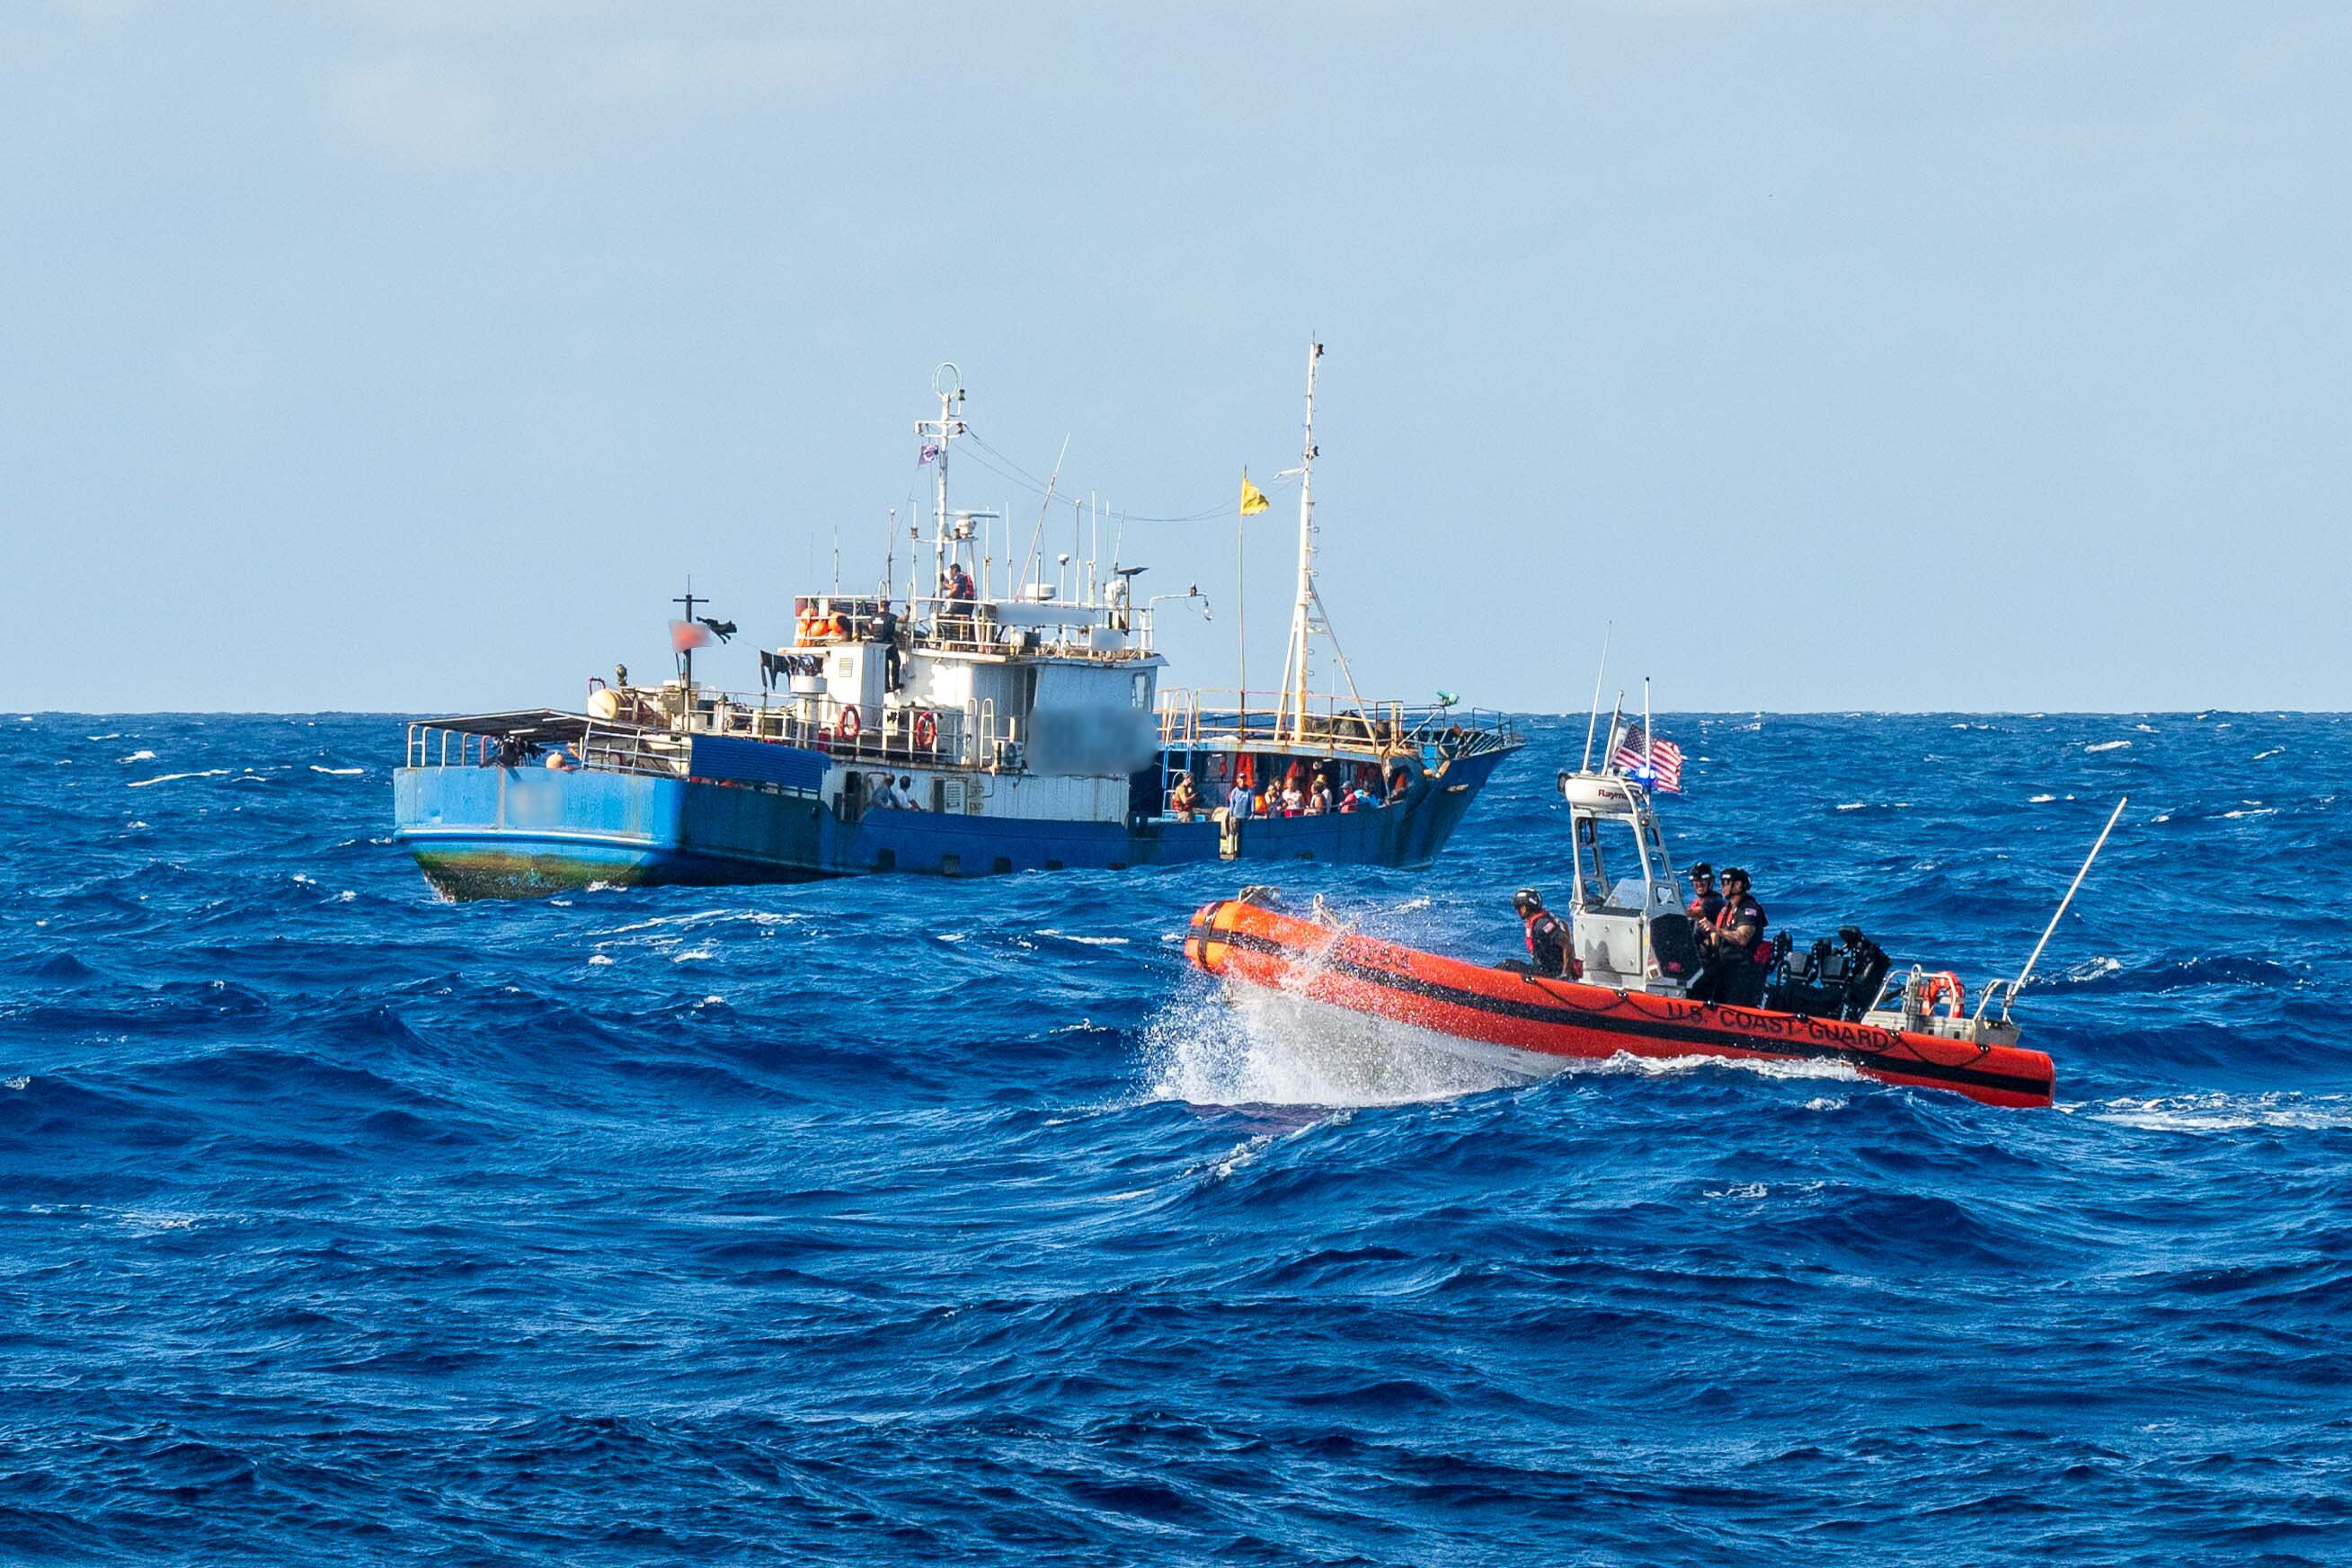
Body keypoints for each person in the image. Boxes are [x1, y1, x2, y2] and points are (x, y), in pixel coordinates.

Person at [1694, 868, 1769, 1005]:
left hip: (1742, 969)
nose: (1722, 886)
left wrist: (1715, 929)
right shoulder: (1726, 909)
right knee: (1697, 981)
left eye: (1726, 882)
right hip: (1723, 965)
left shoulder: (1749, 909)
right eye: (1722, 882)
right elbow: (1716, 942)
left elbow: (1742, 938)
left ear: (1738, 885)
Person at [1513, 888, 1569, 977]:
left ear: (1524, 908)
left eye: (1518, 908)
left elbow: (1567, 945)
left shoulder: (1541, 925)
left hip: (1548, 973)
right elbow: (1565, 926)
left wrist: (1565, 974)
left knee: (1507, 965)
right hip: (1545, 969)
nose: (1517, 911)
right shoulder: (1543, 920)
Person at [872, 601, 902, 691]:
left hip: (877, 644)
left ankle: (886, 687)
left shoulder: (874, 617)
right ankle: (895, 684)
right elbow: (902, 620)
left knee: (884, 666)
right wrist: (908, 612)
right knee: (896, 662)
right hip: (888, 644)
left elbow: (870, 627)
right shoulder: (890, 617)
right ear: (887, 608)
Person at [1685, 863, 1724, 927]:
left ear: (1710, 881)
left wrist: (1675, 910)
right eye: (1696, 880)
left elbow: (1699, 911)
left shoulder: (1717, 901)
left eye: (1703, 880)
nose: (1699, 883)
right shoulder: (1695, 904)